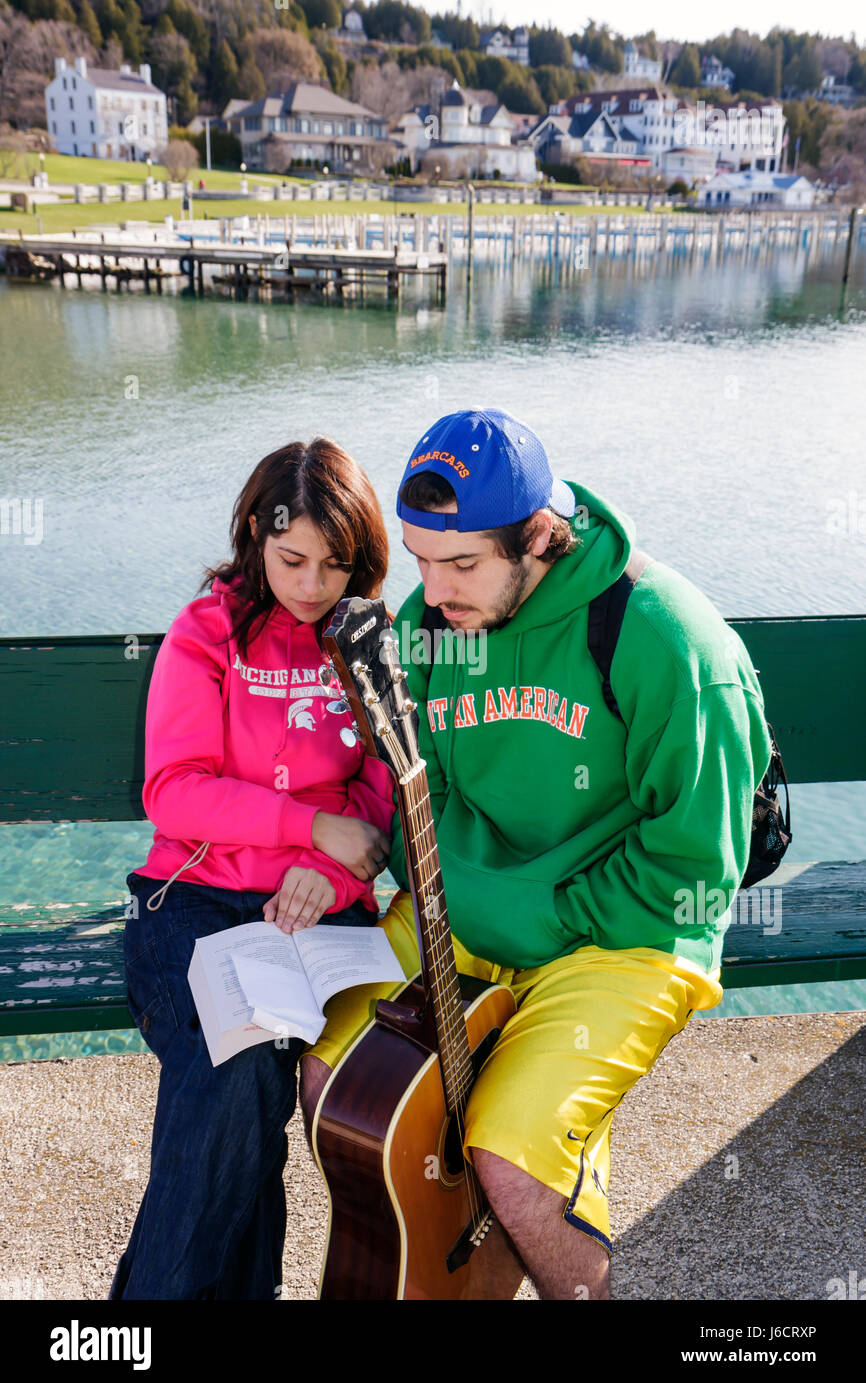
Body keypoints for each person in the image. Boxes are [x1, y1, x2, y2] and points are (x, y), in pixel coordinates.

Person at [300, 407, 772, 1300]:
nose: (431, 592)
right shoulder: (434, 623)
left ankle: (553, 1216)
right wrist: (449, 887)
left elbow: (697, 873)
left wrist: (543, 915)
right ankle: (437, 1267)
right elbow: (419, 792)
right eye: (421, 558)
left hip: (616, 933)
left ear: (542, 537)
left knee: (511, 1157)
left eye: (463, 563)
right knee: (336, 1076)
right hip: (462, 905)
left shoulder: (666, 638)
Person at [110, 438, 393, 1300]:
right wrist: (309, 825)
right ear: (253, 536)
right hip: (192, 900)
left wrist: (334, 873)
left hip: (320, 916)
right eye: (291, 559)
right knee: (240, 1067)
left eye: (335, 566)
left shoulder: (371, 644)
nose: (311, 586)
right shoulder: (207, 634)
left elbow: (388, 798)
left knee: (247, 1066)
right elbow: (175, 793)